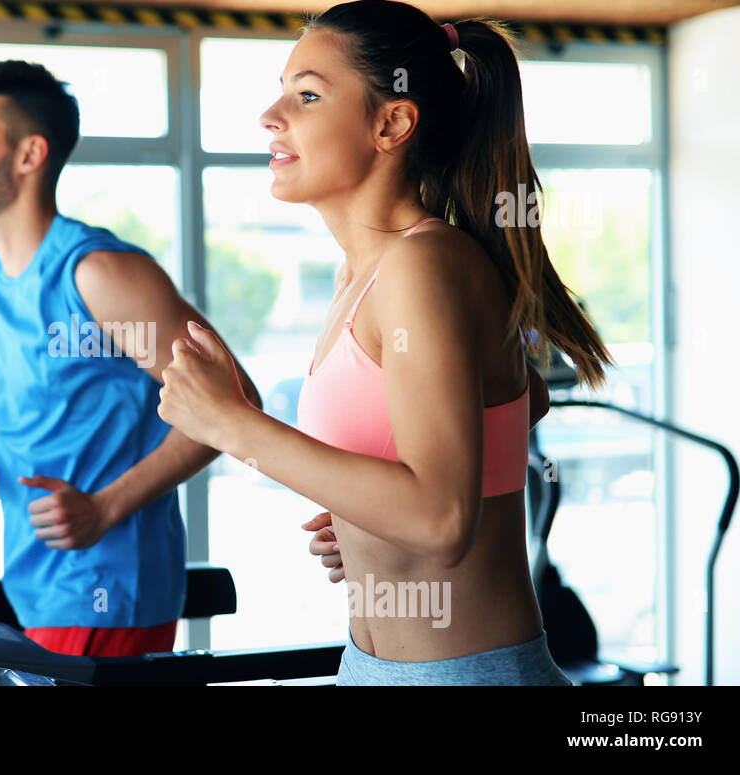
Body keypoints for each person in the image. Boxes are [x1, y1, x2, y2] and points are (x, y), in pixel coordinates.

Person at [156, 0, 611, 685]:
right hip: (372, 666)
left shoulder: (423, 263)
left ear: (391, 122)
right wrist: (368, 518)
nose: (270, 116)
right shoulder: (363, 273)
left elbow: (442, 516)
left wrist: (232, 425)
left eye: (307, 95)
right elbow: (521, 400)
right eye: (281, 92)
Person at [0, 59, 262, 657]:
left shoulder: (98, 273)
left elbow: (235, 402)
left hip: (112, 587)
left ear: (29, 155)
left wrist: (104, 507)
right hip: (34, 588)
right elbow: (18, 434)